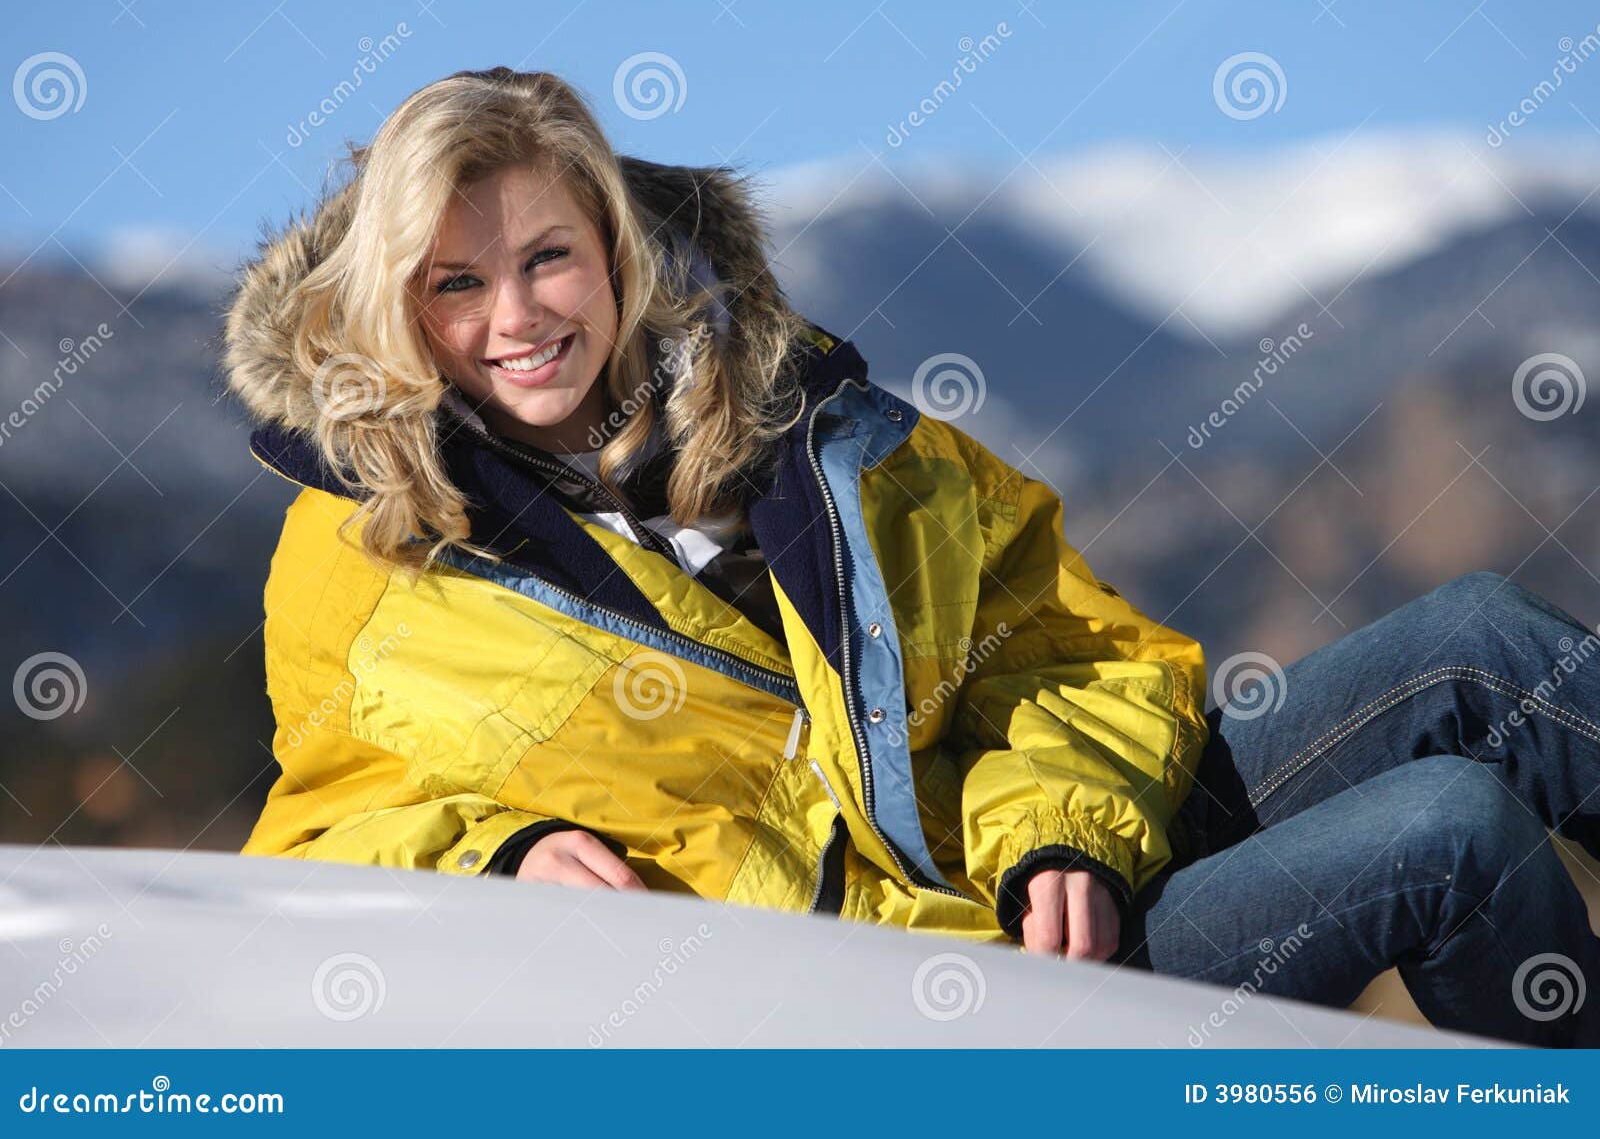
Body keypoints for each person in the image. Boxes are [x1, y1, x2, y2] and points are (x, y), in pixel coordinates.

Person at [222, 67, 1598, 1046]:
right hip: (924, 996)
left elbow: (1073, 651)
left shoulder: (812, 426)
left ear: (617, 253)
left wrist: (1059, 827)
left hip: (1041, 875)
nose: (516, 317)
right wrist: (505, 855)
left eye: (547, 258)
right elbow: (320, 837)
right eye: (457, 283)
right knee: (1452, 833)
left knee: (1487, 642)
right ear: (397, 305)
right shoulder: (360, 545)